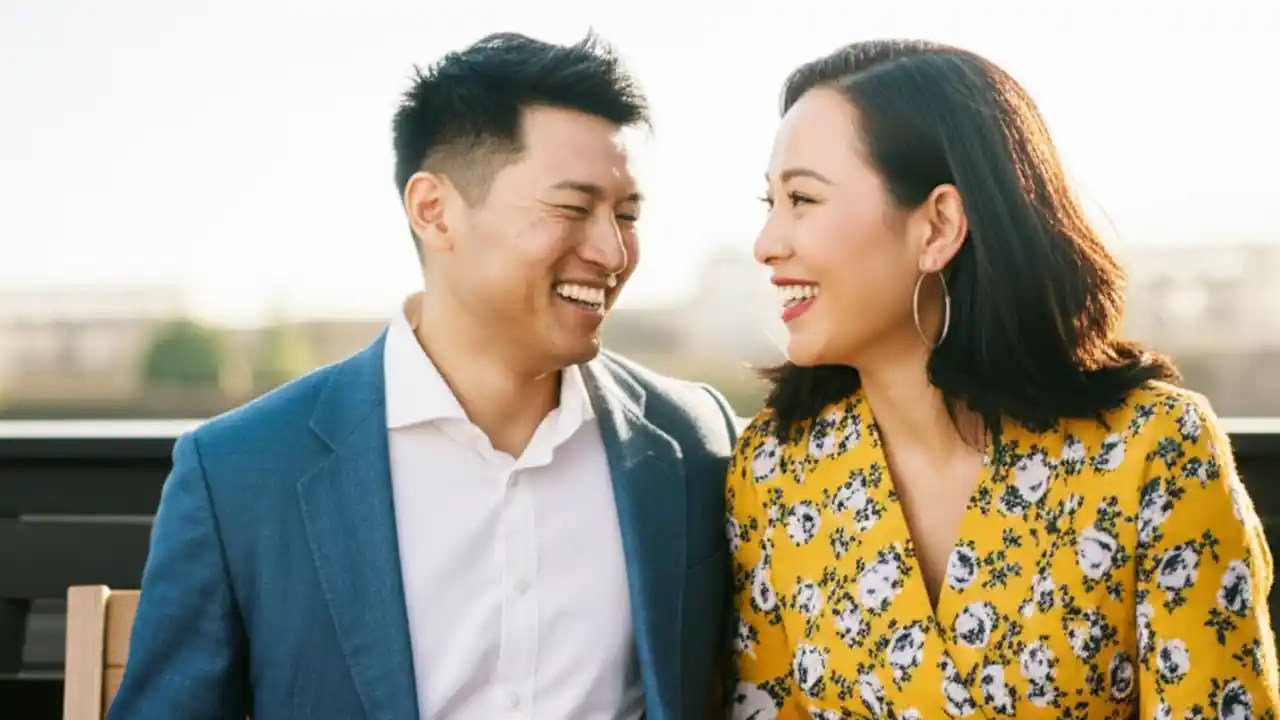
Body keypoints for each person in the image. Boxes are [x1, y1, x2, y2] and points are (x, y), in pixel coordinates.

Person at [110, 32, 738, 720]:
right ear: (434, 210)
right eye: (571, 208)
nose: (612, 252)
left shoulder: (696, 441)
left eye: (627, 214)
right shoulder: (238, 473)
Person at [727, 39, 1278, 719]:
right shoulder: (776, 470)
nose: (766, 243)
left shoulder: (1152, 451)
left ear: (938, 225)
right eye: (770, 202)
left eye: (802, 199)